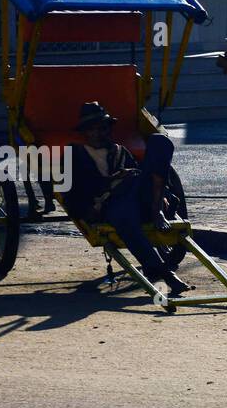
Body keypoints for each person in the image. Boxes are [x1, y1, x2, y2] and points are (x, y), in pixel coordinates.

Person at [64, 101, 192, 293]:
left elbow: (142, 177)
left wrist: (130, 176)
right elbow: (70, 195)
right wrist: (90, 211)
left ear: (109, 129)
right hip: (110, 206)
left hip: (142, 201)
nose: (99, 133)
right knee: (124, 213)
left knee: (159, 141)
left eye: (103, 128)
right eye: (93, 129)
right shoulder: (75, 154)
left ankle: (157, 209)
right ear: (85, 132)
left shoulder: (120, 150)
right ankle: (164, 272)